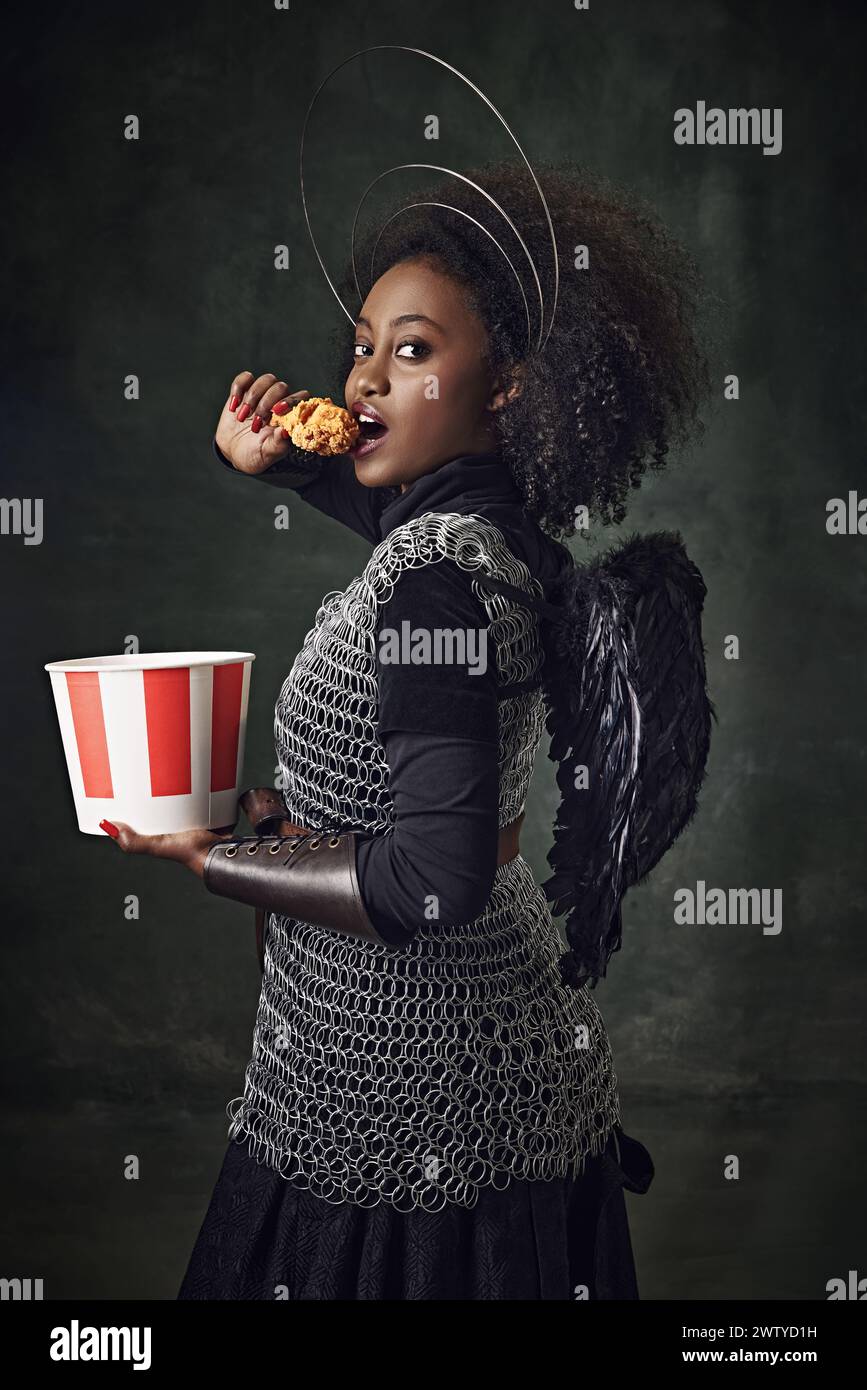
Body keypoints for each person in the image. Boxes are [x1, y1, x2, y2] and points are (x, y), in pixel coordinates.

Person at [102, 158, 713, 1300]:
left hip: (421, 1085)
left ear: (511, 389)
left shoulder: (439, 582)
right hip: (459, 1053)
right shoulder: (488, 535)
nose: (367, 377)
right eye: (364, 346)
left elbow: (436, 878)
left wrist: (218, 852)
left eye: (415, 350)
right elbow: (393, 507)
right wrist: (276, 460)